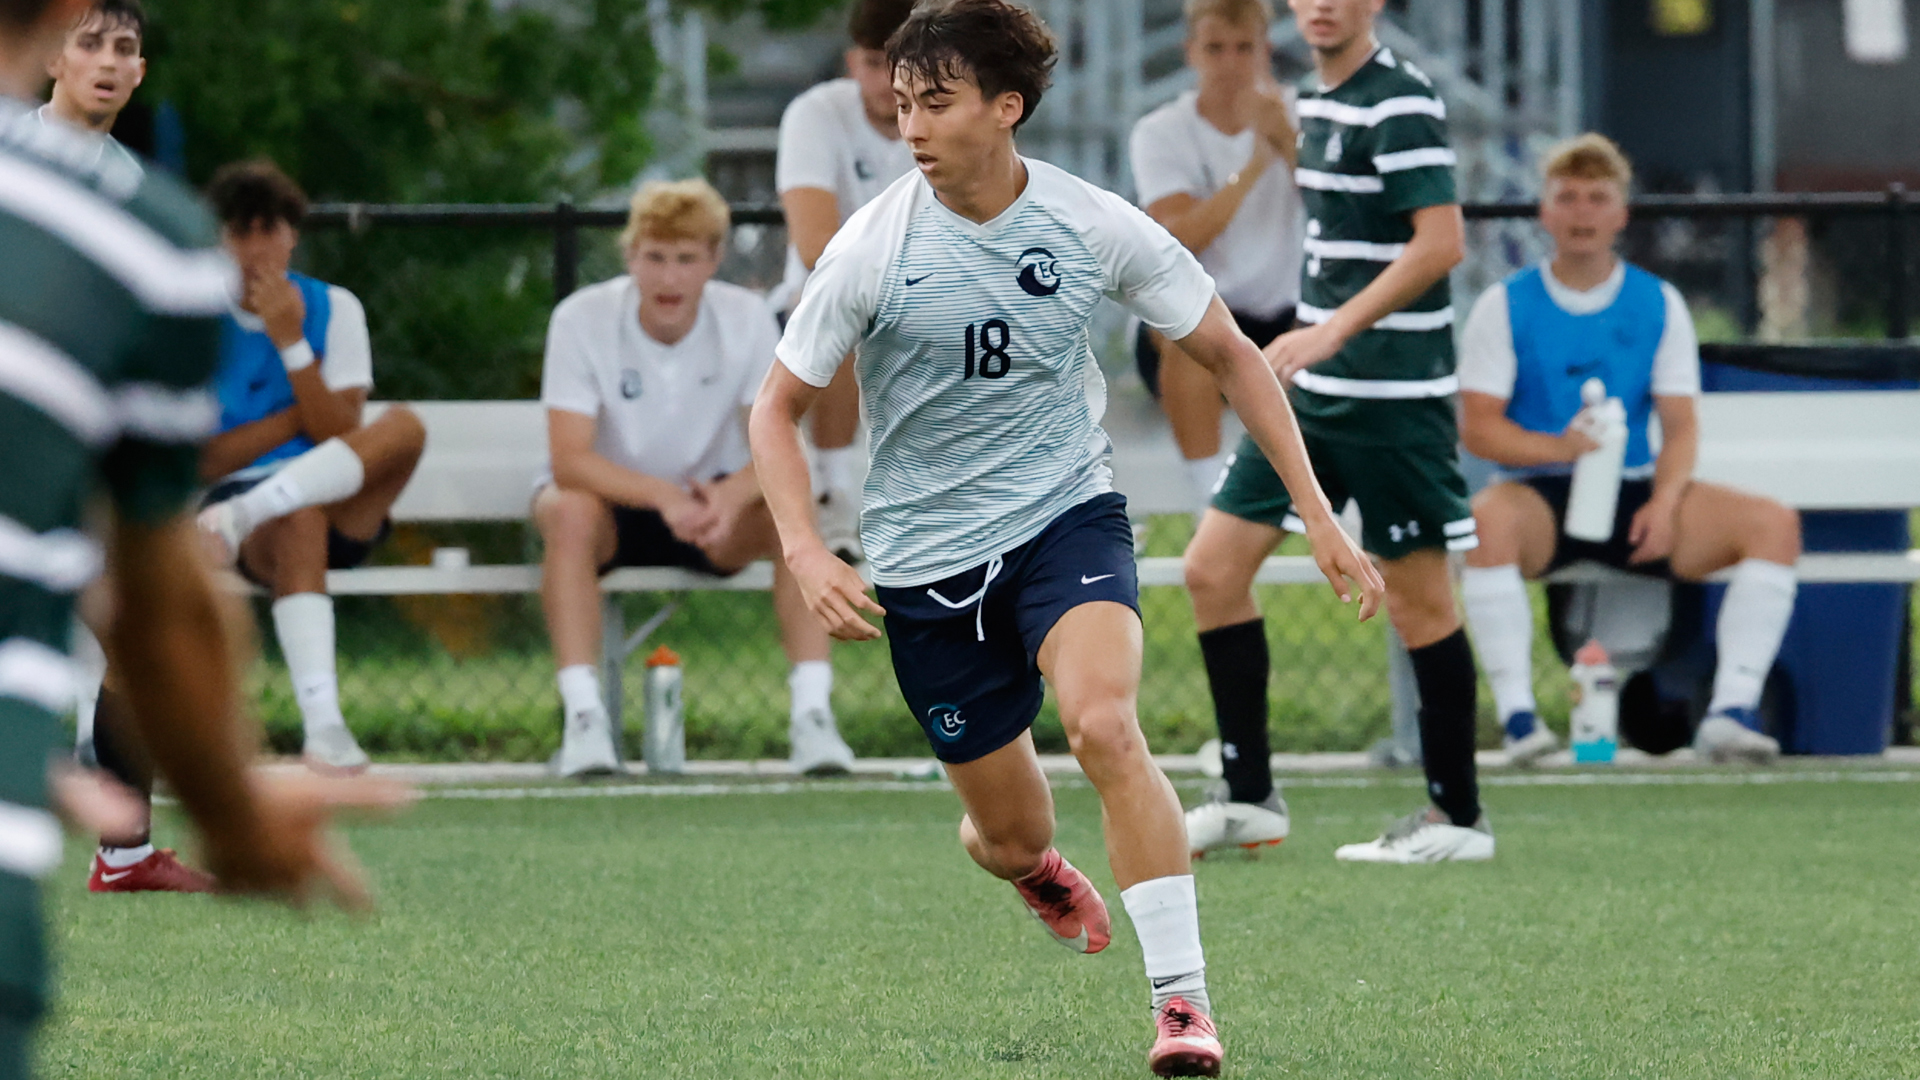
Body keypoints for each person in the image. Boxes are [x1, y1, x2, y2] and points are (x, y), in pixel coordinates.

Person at [749, 3, 1382, 1074]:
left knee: (1104, 726)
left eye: (935, 102)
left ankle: (1182, 1006)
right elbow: (775, 409)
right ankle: (1038, 868)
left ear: (1006, 108)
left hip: (1062, 519)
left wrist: (1317, 517)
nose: (910, 126)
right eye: (901, 103)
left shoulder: (1092, 225)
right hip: (922, 562)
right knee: (1007, 837)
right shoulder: (873, 247)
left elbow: (1230, 353)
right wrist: (810, 549)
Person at [1, 0, 406, 1068]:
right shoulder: (150, 237)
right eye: (93, 35)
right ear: (54, 31)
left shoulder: (156, 224)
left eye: (126, 44)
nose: (107, 59)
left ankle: (120, 827)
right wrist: (235, 812)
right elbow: (159, 592)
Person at [1182, 0, 1487, 863]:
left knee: (1422, 601)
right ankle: (1250, 799)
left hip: (1394, 396)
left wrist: (1331, 328)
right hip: (1314, 396)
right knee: (1212, 569)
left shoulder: (1401, 99)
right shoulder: (1310, 106)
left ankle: (1457, 818)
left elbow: (1441, 244)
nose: (1320, 4)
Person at [1458, 134, 1799, 767]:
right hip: (1545, 491)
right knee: (1484, 523)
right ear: (1545, 212)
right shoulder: (1503, 306)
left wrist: (1666, 503)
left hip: (1634, 488)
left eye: (1598, 198)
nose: (1582, 212)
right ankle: (1521, 721)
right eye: (1568, 198)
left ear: (1621, 214)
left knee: (1773, 525)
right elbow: (1479, 427)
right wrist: (1557, 445)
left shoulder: (1657, 302)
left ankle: (1729, 714)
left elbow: (1680, 423)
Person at [536, 179, 852, 779]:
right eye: (654, 257)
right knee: (566, 509)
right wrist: (663, 497)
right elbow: (568, 461)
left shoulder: (746, 318)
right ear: (630, 258)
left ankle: (813, 718)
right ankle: (584, 722)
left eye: (686, 259)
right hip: (610, 509)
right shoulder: (580, 319)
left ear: (712, 260)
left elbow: (776, 434)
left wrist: (732, 495)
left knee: (794, 507)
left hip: (713, 514)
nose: (669, 277)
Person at [194, 160, 427, 774]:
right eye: (240, 232)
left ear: (293, 235)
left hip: (327, 498)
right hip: (257, 521)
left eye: (270, 230)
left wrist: (291, 342)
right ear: (216, 238)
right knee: (298, 515)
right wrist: (299, 416)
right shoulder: (191, 318)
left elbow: (342, 439)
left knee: (405, 426)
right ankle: (325, 727)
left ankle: (244, 513)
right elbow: (206, 459)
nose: (256, 250)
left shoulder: (335, 308)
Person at [1127, 0, 1303, 510]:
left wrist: (1288, 144)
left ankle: (1305, 498)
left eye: (1244, 48)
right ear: (1191, 53)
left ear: (1266, 52)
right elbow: (1179, 238)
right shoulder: (1161, 131)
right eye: (1215, 48)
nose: (1230, 63)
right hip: (1197, 319)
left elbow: (1341, 212)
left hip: (1283, 314)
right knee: (1185, 329)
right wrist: (1252, 168)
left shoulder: (1303, 116)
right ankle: (1211, 503)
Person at [771, 0, 919, 562]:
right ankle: (834, 499)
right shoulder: (814, 114)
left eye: (902, 65)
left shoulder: (951, 114)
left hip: (933, 301)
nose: (887, 82)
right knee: (833, 308)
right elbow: (815, 247)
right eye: (874, 63)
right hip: (843, 304)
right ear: (851, 61)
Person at [32, 0, 137, 171]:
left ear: (139, 72)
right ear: (53, 59)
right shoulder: (10, 147)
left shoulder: (129, 177)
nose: (109, 62)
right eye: (89, 45)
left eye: (124, 49)